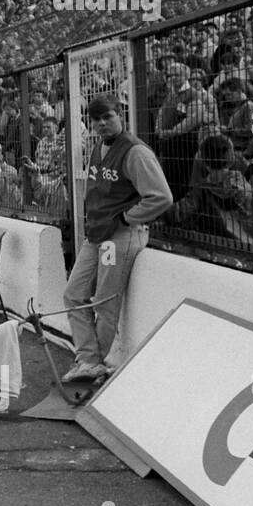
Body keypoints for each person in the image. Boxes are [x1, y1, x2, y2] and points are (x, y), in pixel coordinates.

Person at [61, 95, 172, 383]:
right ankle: (89, 359)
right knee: (73, 293)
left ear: (120, 115)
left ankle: (92, 361)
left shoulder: (135, 152)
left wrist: (125, 219)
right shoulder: (99, 146)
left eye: (107, 117)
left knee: (105, 301)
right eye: (95, 119)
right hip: (96, 233)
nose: (101, 123)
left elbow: (161, 197)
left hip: (118, 236)